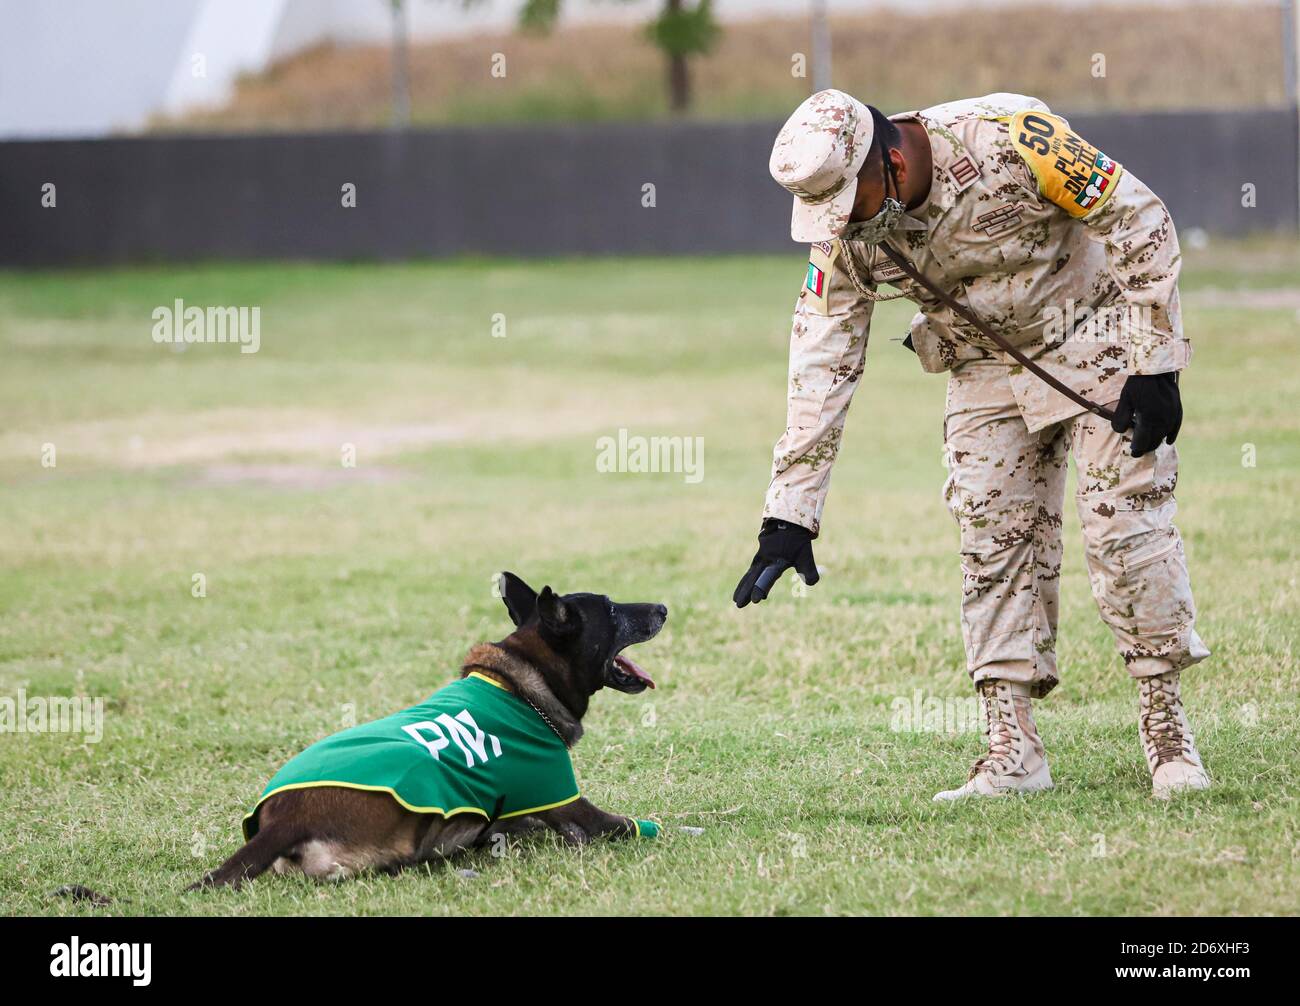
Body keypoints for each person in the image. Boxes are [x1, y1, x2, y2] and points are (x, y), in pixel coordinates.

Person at [734, 90, 1210, 800]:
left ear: (892, 160)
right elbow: (821, 359)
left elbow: (1139, 218)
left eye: (849, 201)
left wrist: (1157, 362)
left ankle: (1167, 732)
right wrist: (790, 513)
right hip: (983, 361)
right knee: (991, 538)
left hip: (1096, 330)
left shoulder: (1016, 138)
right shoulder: (846, 236)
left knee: (1124, 529)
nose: (843, 226)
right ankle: (1011, 752)